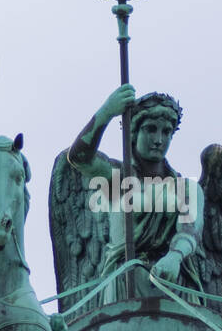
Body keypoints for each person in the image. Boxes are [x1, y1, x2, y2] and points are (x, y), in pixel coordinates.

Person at [67, 84, 205, 301]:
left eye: (166, 131)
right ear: (134, 132)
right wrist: (107, 111)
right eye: (151, 129)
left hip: (175, 284)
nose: (159, 139)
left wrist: (175, 257)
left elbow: (190, 230)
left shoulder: (186, 187)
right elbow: (78, 158)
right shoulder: (116, 176)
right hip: (125, 285)